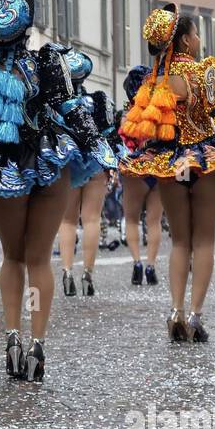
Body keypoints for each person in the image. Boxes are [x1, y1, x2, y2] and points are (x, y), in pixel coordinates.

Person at [0, 0, 106, 380]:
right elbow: (72, 108)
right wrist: (99, 148)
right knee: (38, 259)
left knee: (13, 256)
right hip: (49, 160)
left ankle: (12, 336)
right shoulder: (46, 62)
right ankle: (37, 343)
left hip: (0, 166)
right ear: (27, 29)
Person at [118, 5, 215, 342]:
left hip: (170, 164)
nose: (198, 39)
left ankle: (176, 311)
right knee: (203, 241)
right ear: (185, 40)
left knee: (180, 241)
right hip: (205, 161)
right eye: (196, 34)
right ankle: (196, 316)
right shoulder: (202, 72)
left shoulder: (153, 80)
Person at [57, 50, 119, 297]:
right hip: (95, 163)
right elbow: (110, 136)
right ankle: (87, 275)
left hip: (69, 164)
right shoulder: (99, 101)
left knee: (67, 220)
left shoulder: (58, 104)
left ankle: (67, 271)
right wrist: (111, 165)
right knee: (92, 219)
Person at [116, 66, 165, 285]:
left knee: (132, 220)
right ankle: (151, 265)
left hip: (134, 171)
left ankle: (137, 262)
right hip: (157, 167)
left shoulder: (127, 115)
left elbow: (124, 144)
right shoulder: (159, 112)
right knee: (154, 222)